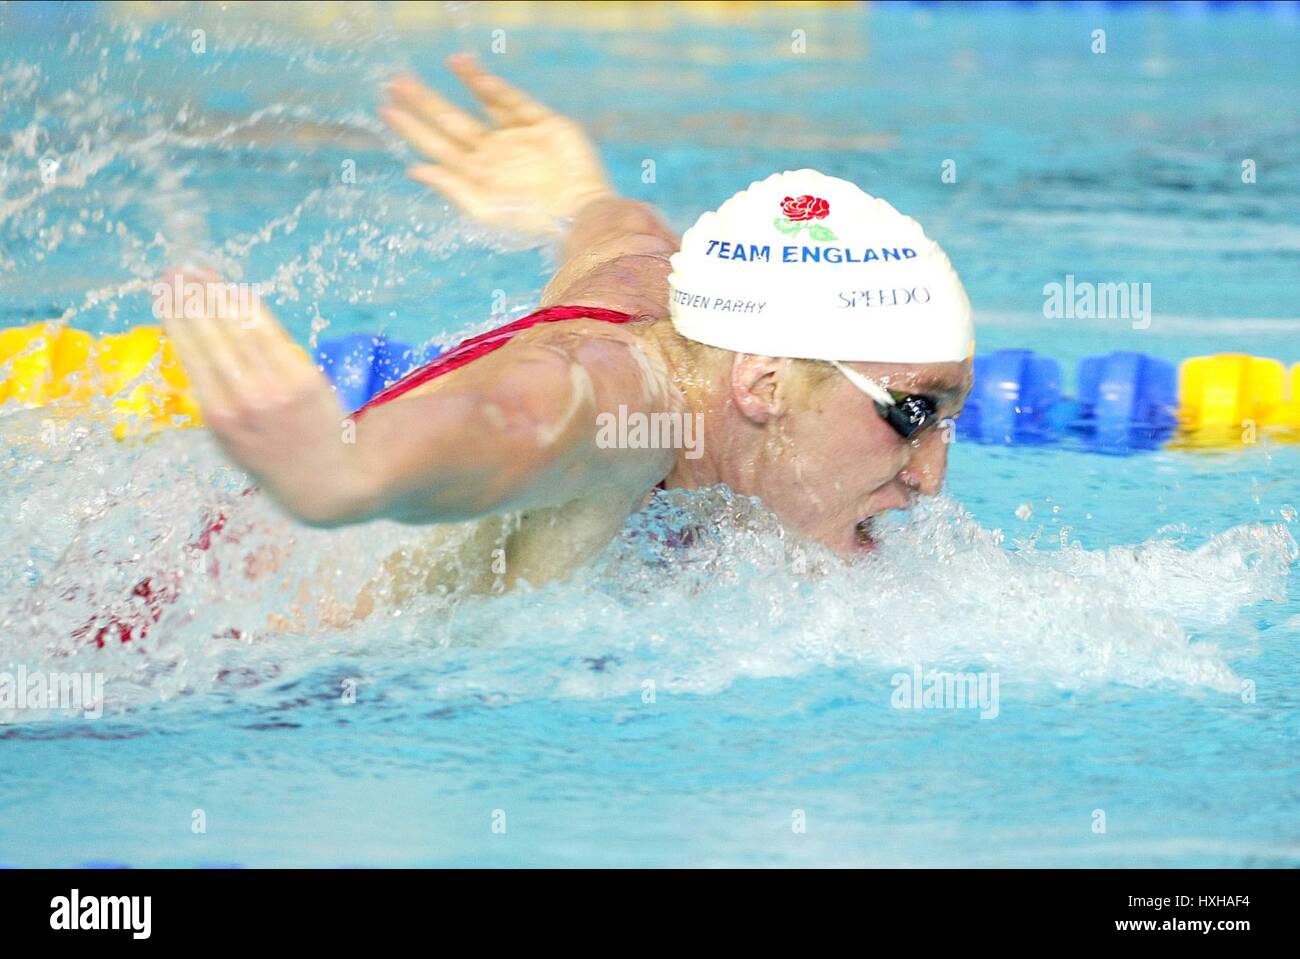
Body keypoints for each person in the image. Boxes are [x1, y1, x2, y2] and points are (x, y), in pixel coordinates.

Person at [157, 53, 974, 627]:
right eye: (910, 412)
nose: (932, 475)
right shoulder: (618, 403)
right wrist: (340, 475)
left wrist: (575, 190)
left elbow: (625, 234)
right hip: (177, 665)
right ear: (760, 383)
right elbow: (511, 420)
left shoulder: (668, 300)